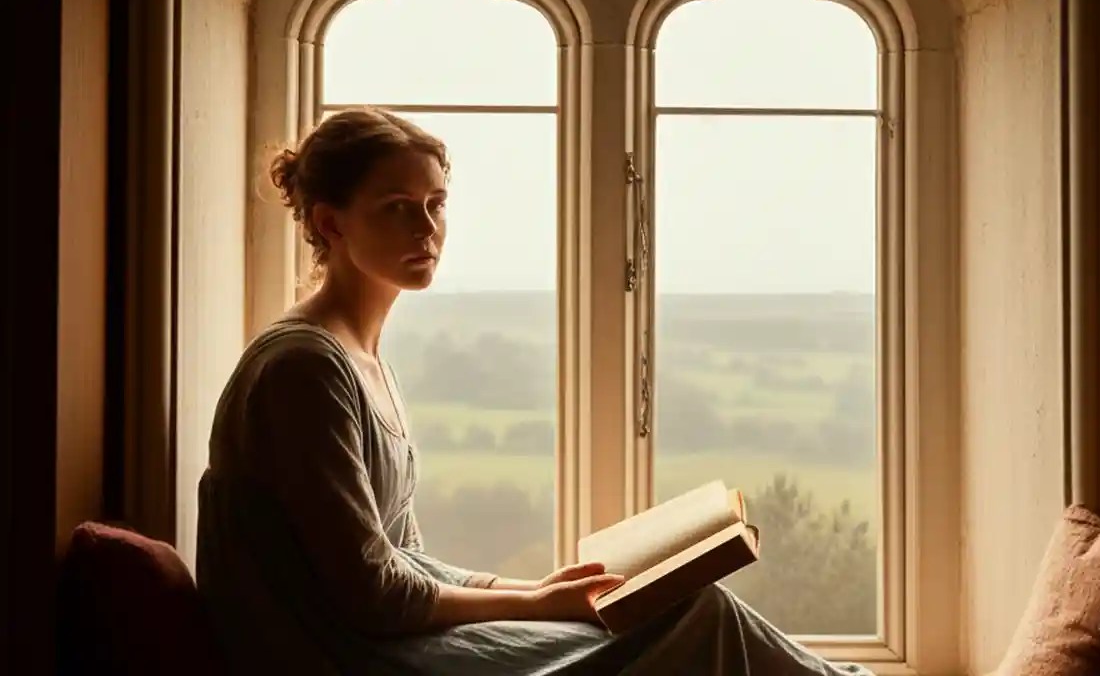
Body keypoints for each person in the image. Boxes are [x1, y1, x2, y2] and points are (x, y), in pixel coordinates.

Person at [196, 108, 869, 675]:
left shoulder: (359, 356)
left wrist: (537, 589)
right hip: (346, 659)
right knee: (698, 615)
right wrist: (535, 606)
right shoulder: (304, 371)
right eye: (397, 209)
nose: (426, 229)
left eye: (435, 205)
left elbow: (405, 556)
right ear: (332, 223)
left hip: (382, 640)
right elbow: (375, 595)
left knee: (684, 604)